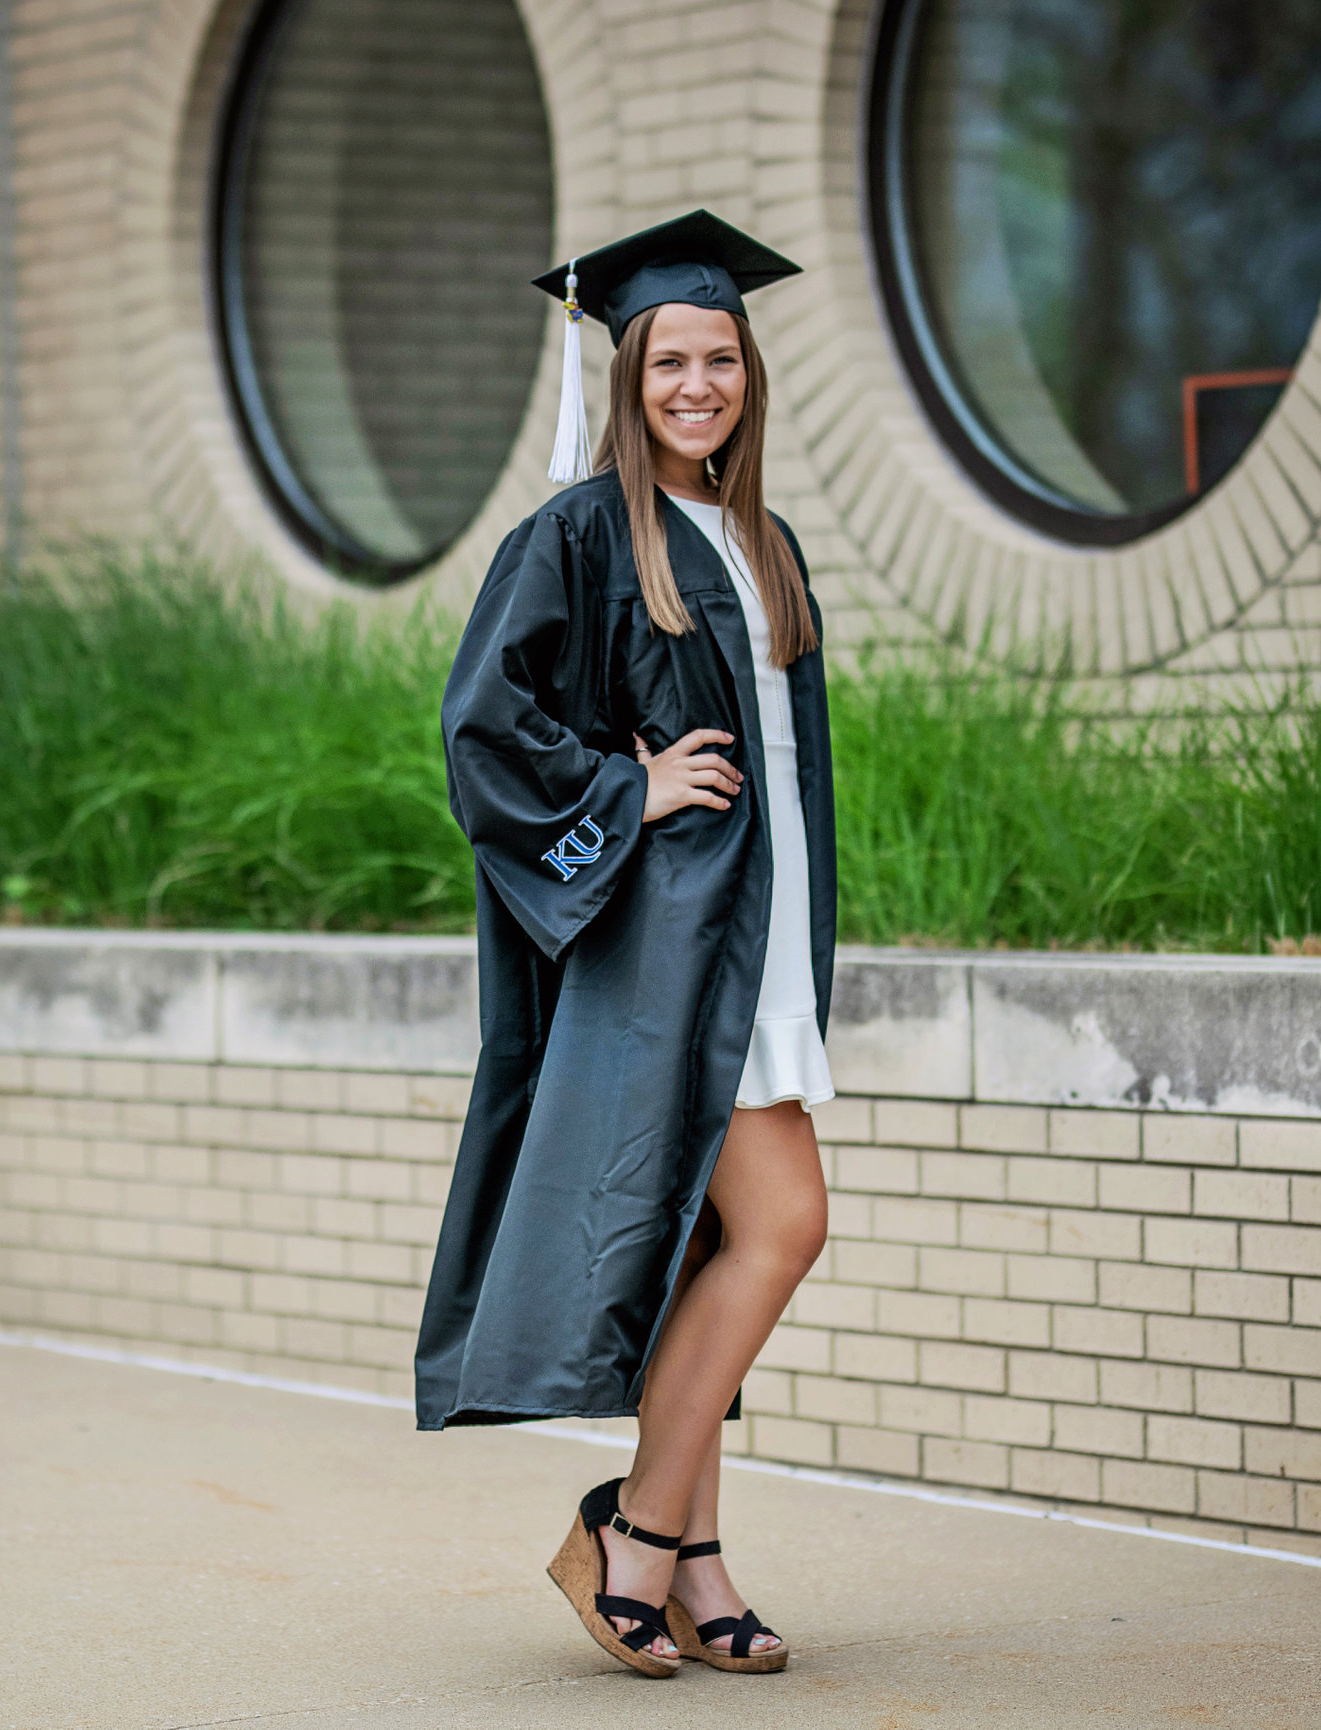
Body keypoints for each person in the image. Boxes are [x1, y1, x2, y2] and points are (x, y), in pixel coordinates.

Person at [414, 210, 834, 1678]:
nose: (698, 381)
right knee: (785, 1221)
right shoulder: (582, 532)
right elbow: (481, 729)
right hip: (669, 950)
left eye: (720, 356)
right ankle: (633, 1529)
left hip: (760, 941)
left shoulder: (760, 539)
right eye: (671, 357)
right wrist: (626, 790)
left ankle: (699, 1556)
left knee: (717, 1239)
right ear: (628, 372)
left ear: (747, 375)